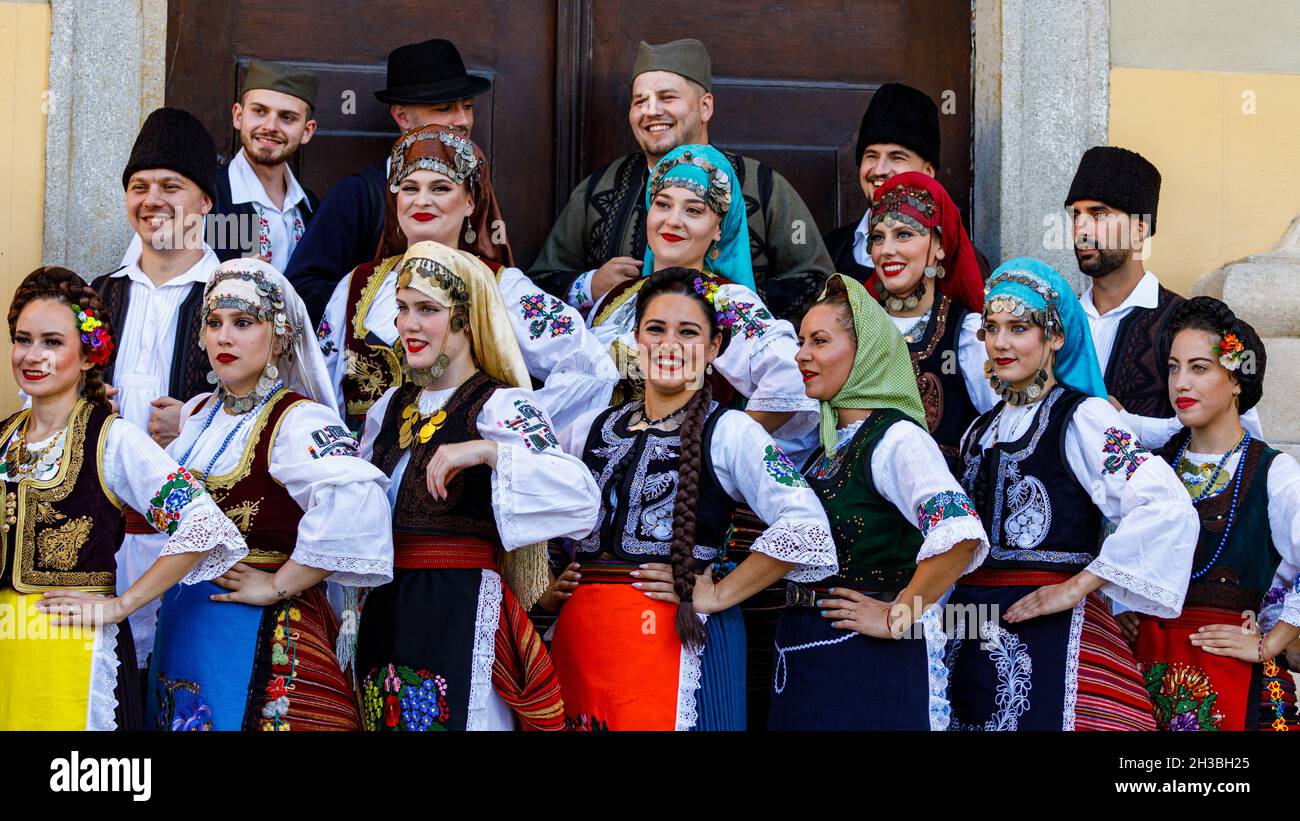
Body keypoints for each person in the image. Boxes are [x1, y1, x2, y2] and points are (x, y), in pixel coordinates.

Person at [547, 267, 836, 731]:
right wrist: (545, 585)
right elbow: (532, 502)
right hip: (581, 643)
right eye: (656, 329)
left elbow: (806, 525)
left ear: (715, 347)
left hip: (676, 640)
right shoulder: (588, 428)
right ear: (636, 338)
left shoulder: (732, 431)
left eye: (688, 333)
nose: (669, 344)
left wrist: (720, 592)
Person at [946, 257, 1198, 731]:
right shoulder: (978, 430)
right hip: (969, 637)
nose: (1001, 343)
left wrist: (1075, 587)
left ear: (1055, 336)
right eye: (992, 328)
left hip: (1051, 632)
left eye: (1019, 328)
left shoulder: (1084, 418)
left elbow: (1165, 504)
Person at [355, 241, 598, 731]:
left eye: (427, 310)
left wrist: (488, 452)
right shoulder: (388, 409)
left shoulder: (502, 406)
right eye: (402, 308)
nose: (409, 324)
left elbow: (580, 497)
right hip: (386, 610)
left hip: (461, 609)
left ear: (466, 320)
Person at [143, 259, 393, 731]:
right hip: (183, 627)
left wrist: (277, 584)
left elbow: (357, 503)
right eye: (214, 323)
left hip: (259, 632)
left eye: (243, 323)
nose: (224, 337)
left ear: (279, 338)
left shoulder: (299, 420)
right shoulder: (197, 416)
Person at [0, 267, 246, 730]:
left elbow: (202, 523)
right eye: (22, 340)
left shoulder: (113, 440)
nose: (33, 356)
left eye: (52, 342)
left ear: (88, 355)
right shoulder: (4, 438)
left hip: (72, 652)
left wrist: (121, 605)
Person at [768, 273, 987, 730]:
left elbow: (960, 535)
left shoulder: (898, 440)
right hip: (810, 663)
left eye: (819, 341)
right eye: (801, 341)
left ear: (865, 351)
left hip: (870, 666)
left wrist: (897, 615)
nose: (801, 354)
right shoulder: (830, 447)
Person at [316, 124, 615, 434]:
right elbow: (319, 390)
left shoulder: (501, 287)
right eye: (410, 188)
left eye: (440, 188)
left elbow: (592, 369)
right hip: (363, 461)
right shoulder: (356, 286)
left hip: (460, 462)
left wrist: (500, 430)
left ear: (470, 201)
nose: (422, 200)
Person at [531, 38, 833, 324]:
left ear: (705, 107)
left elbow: (819, 283)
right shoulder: (597, 188)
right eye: (640, 101)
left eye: (667, 97)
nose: (651, 111)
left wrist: (725, 300)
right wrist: (589, 286)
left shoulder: (763, 186)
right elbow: (538, 282)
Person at [1119, 297, 1300, 730]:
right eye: (1173, 368)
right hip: (1146, 676)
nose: (1181, 382)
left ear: (1236, 378)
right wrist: (1122, 604)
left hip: (1237, 679)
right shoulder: (1153, 469)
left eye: (1199, 368)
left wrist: (1270, 643)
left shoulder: (1274, 473)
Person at [94, 106, 225, 663]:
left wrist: (194, 421)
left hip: (197, 550)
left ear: (205, 202)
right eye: (140, 186)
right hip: (102, 543)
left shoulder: (235, 295)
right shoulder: (97, 295)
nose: (152, 199)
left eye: (171, 186)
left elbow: (279, 408)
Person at [1066, 145, 1262, 445]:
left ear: (1138, 230)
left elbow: (1240, 432)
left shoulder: (1190, 323)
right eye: (1076, 216)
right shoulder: (1061, 321)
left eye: (1099, 215)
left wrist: (1130, 425)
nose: (1081, 230)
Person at [287, 39, 491, 322]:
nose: (463, 120)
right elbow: (301, 289)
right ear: (402, 116)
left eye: (467, 107)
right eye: (445, 108)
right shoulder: (358, 195)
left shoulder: (476, 190)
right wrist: (389, 305)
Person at [120, 60, 321, 267]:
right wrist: (225, 274)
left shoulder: (310, 208)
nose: (270, 126)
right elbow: (138, 277)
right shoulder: (201, 194)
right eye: (259, 111)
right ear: (238, 116)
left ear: (307, 131)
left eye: (287, 117)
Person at [866, 172, 995, 467]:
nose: (887, 250)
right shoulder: (856, 327)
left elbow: (1001, 429)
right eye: (877, 238)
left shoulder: (966, 333)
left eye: (904, 234)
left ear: (939, 245)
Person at [822, 83, 991, 285]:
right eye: (871, 155)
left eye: (897, 157)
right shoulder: (831, 248)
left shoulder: (959, 261)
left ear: (928, 172)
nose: (879, 169)